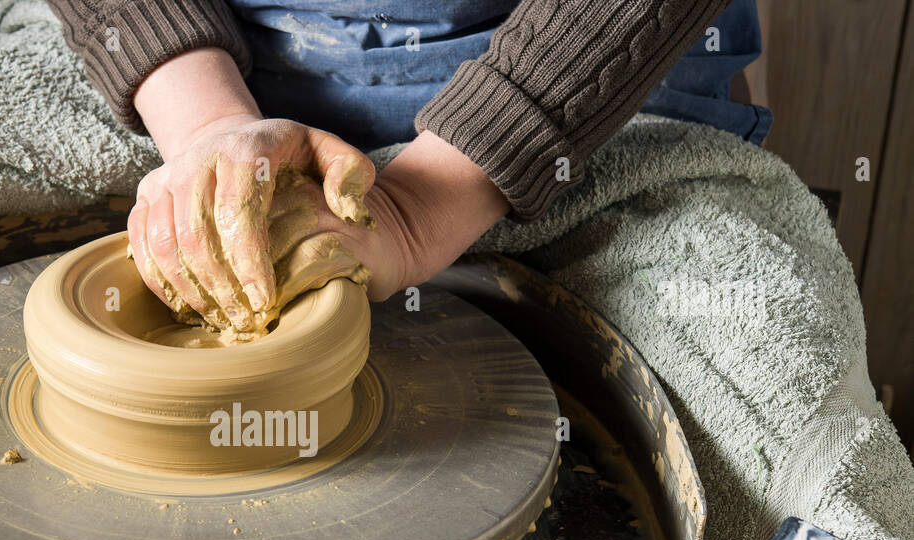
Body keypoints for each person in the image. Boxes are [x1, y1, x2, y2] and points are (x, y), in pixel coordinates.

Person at [47, 0, 768, 331]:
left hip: (591, 75)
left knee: (770, 374)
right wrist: (207, 121)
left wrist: (411, 213)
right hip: (201, 47)